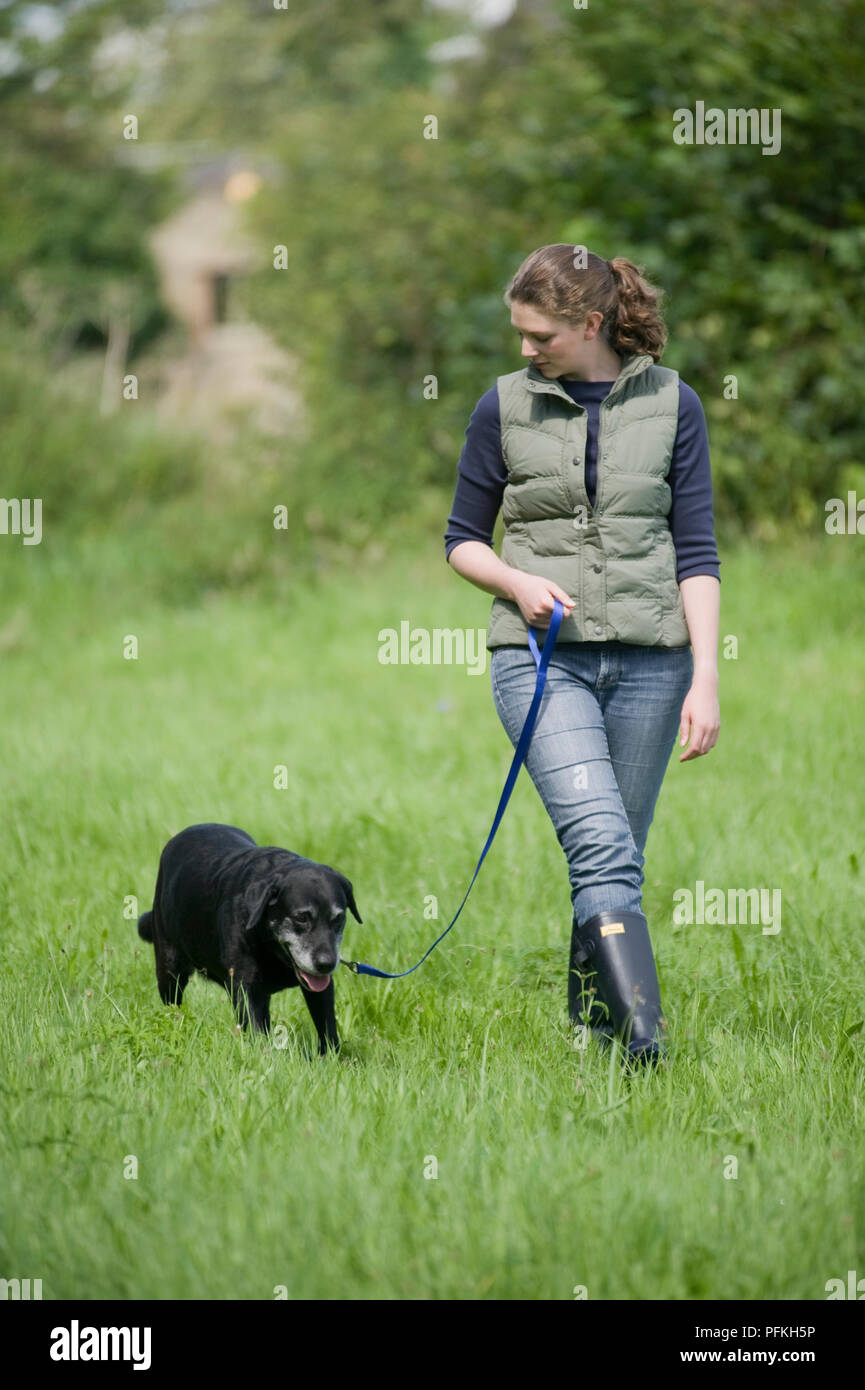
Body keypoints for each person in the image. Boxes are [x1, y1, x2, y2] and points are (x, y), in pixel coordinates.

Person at [444, 244, 720, 1067]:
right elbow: (461, 540)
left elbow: (695, 549)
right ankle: (644, 1044)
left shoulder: (675, 405)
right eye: (520, 335)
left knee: (612, 858)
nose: (524, 350)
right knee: (600, 840)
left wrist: (704, 675)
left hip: (652, 664)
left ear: (590, 323)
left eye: (540, 336)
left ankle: (591, 1032)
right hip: (539, 659)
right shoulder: (502, 408)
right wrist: (516, 582)